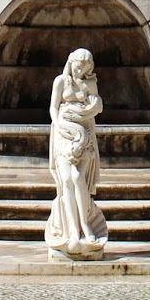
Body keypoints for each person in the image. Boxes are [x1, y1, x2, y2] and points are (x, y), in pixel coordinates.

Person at [44, 47, 108, 259]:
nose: (79, 71)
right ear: (71, 63)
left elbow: (96, 107)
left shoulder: (90, 84)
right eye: (77, 67)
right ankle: (72, 230)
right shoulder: (61, 81)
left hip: (84, 134)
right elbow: (53, 107)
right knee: (66, 181)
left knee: (78, 178)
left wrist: (83, 113)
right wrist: (59, 125)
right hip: (63, 134)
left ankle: (85, 225)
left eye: (83, 68)